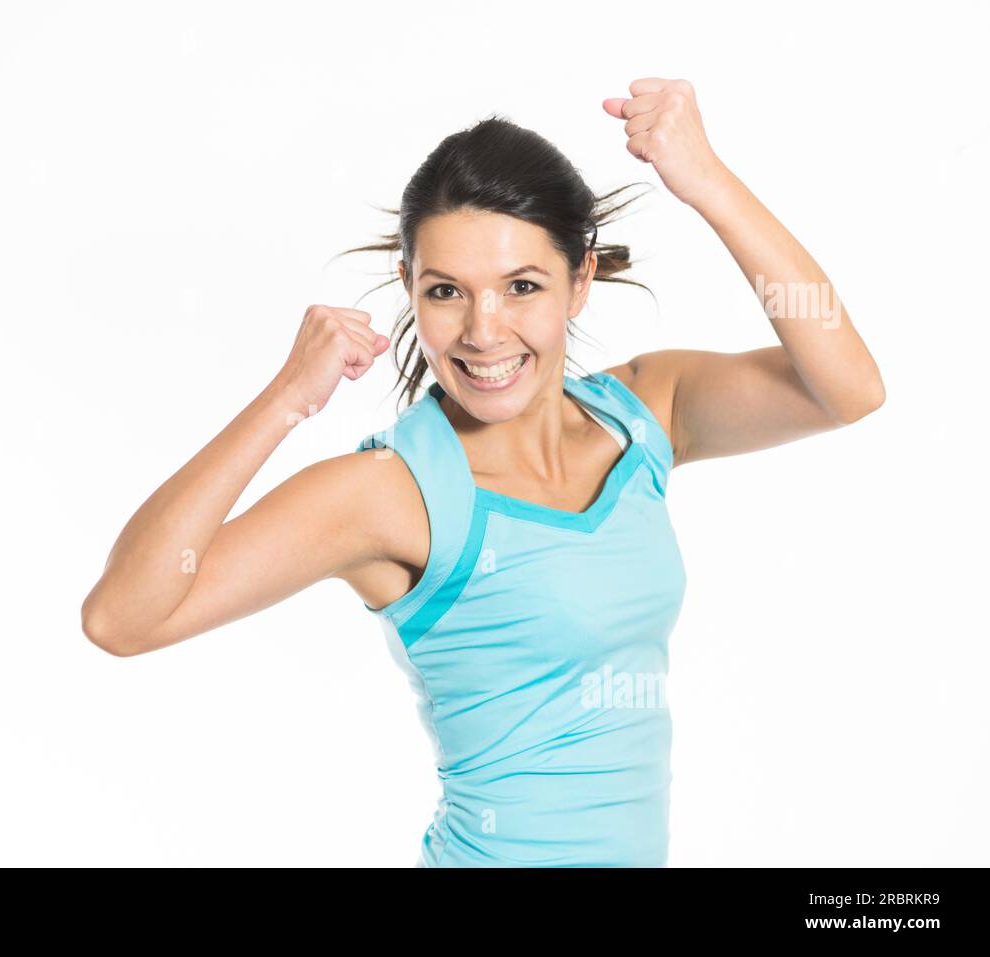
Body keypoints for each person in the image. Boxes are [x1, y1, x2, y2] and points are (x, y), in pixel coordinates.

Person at [80, 78, 885, 866]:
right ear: (410, 289)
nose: (482, 331)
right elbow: (123, 616)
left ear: (581, 280)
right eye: (446, 292)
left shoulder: (646, 415)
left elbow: (849, 387)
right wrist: (286, 400)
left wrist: (707, 181)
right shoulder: (394, 495)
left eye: (522, 286)